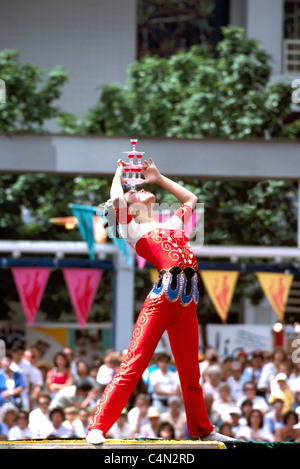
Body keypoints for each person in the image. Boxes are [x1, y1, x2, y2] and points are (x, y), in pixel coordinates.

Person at [87, 158, 229, 444]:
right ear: (130, 207)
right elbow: (116, 199)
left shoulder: (173, 225)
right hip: (162, 301)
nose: (138, 189)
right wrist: (119, 171)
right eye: (133, 191)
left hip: (188, 305)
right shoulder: (134, 230)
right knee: (133, 364)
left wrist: (159, 178)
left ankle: (202, 429)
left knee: (191, 372)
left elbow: (191, 198)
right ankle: (97, 427)